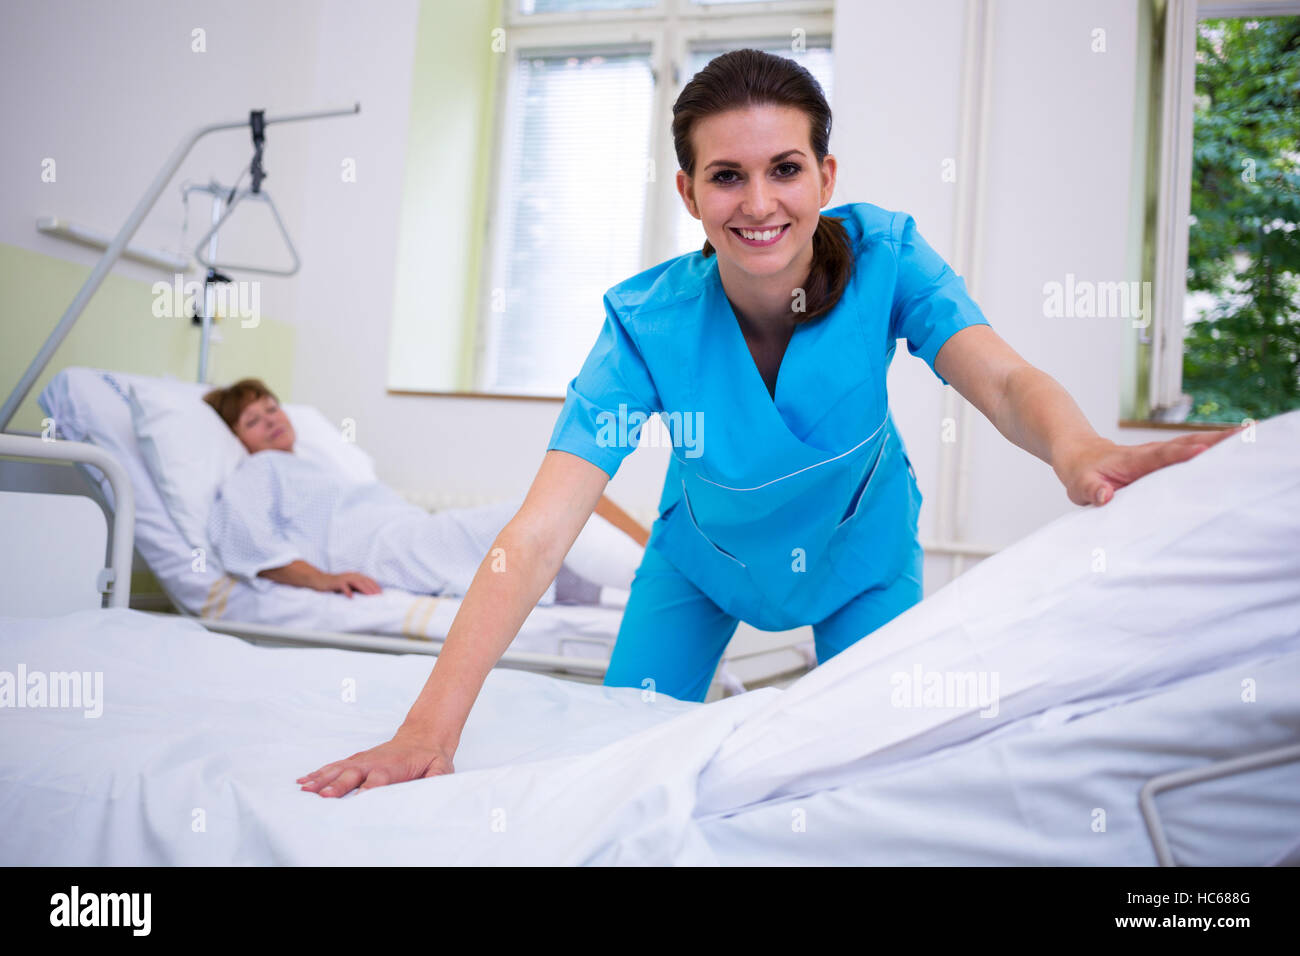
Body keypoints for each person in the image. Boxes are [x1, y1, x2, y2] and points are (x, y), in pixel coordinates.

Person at [297, 48, 1241, 797]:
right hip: (700, 563)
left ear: (825, 174)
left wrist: (1079, 452)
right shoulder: (646, 322)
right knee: (626, 757)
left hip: (858, 562)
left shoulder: (887, 258)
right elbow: (540, 533)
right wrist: (429, 729)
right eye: (726, 176)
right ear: (688, 193)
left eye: (785, 169)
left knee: (877, 776)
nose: (758, 204)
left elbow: (999, 380)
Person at [203, 378, 647, 604]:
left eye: (271, 408)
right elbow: (250, 544)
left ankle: (661, 566)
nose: (270, 420)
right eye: (252, 421)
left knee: (574, 506)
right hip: (393, 550)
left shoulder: (316, 464)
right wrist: (323, 579)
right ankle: (670, 578)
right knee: (557, 508)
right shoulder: (256, 473)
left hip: (414, 531)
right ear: (234, 437)